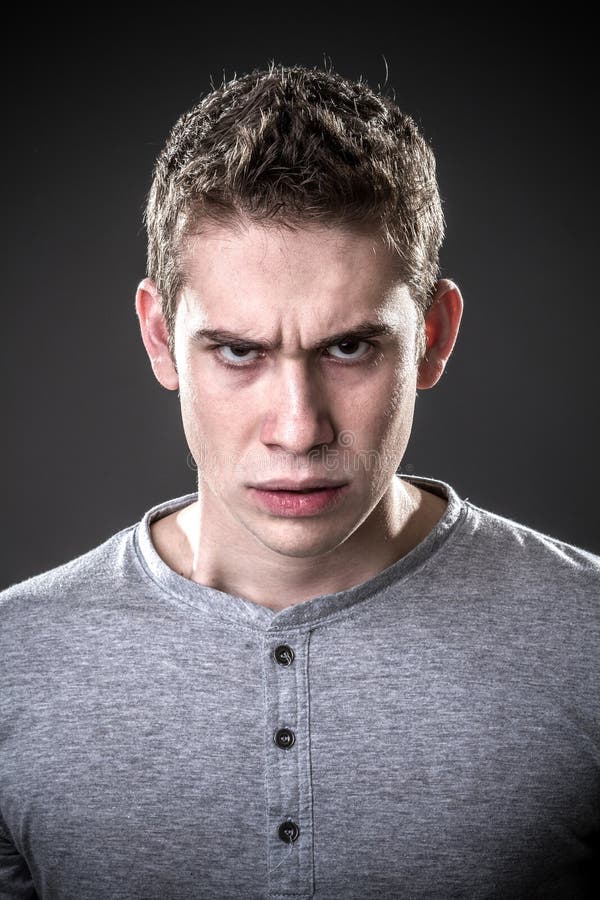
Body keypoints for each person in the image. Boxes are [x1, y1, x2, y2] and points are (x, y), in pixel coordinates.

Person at [0, 63, 598, 900]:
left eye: (349, 347)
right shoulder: (14, 662)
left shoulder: (589, 638)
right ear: (160, 338)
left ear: (432, 336)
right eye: (238, 351)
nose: (299, 428)